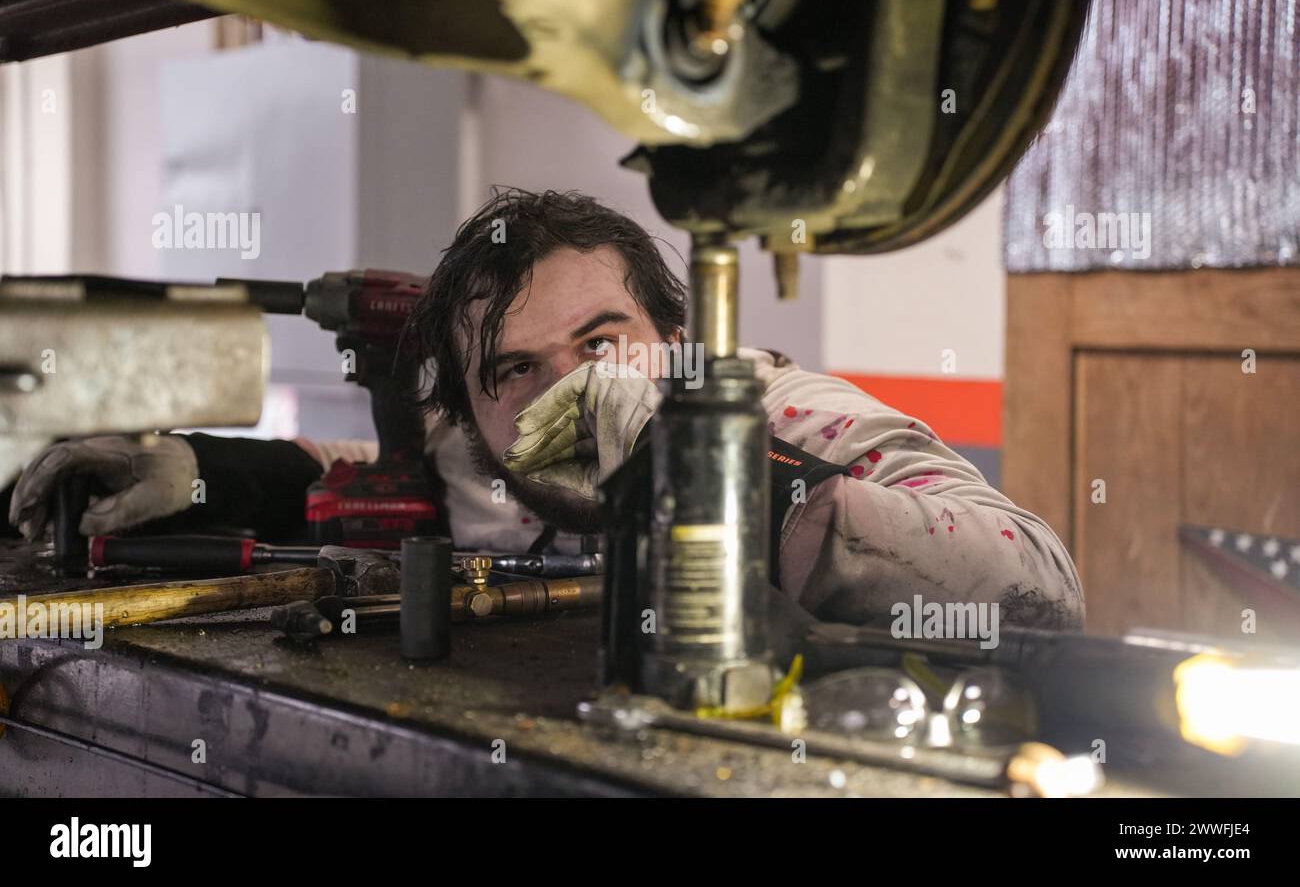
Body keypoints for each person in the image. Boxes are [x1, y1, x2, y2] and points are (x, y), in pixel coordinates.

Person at [8, 188, 1083, 628]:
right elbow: (398, 477)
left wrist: (713, 471)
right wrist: (199, 472)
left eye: (601, 341)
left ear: (676, 335)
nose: (564, 387)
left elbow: (1040, 587)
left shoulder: (790, 413)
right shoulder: (487, 458)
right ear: (472, 412)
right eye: (512, 370)